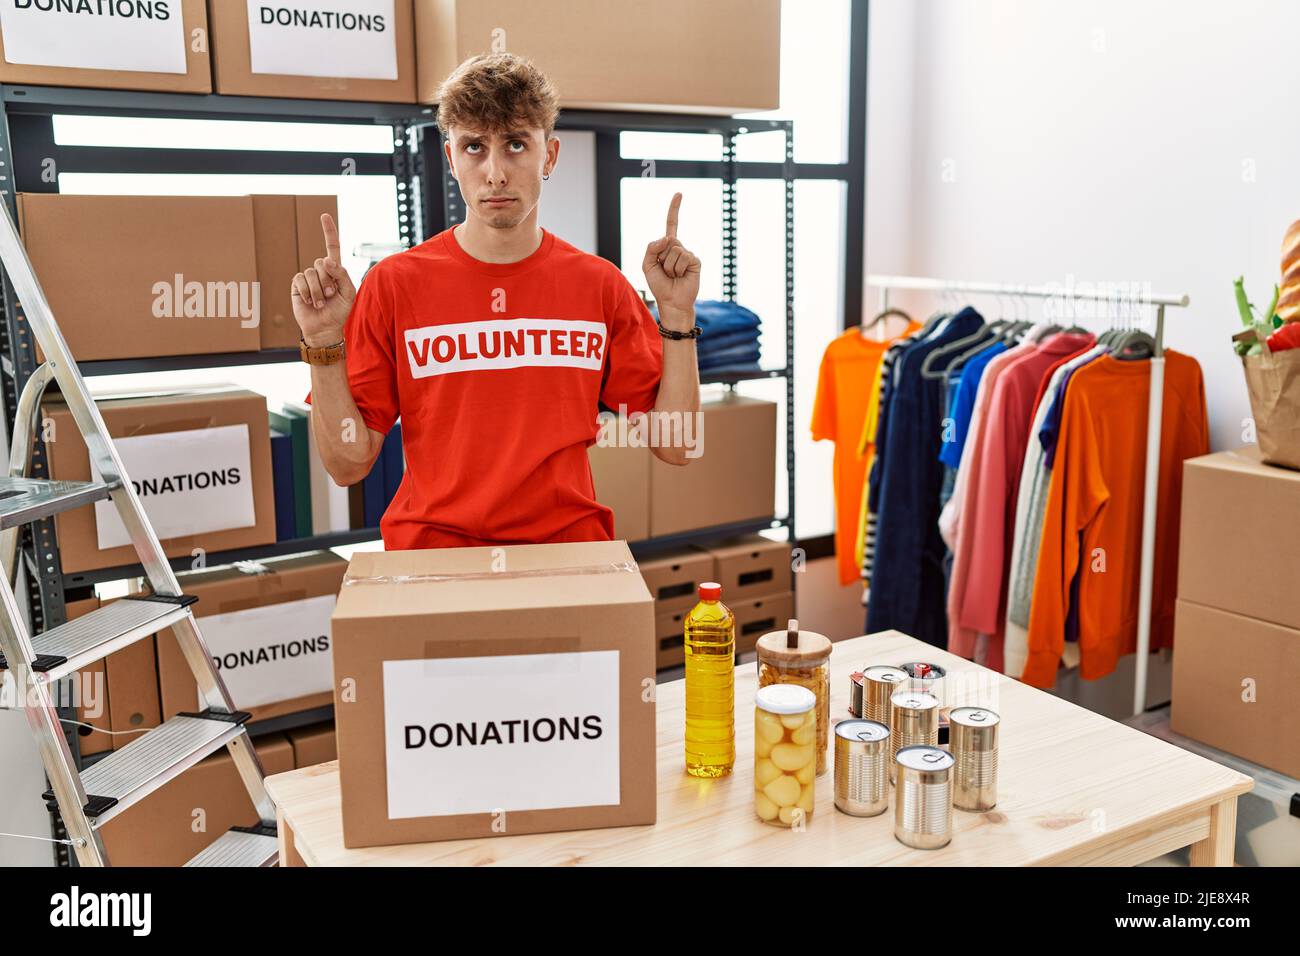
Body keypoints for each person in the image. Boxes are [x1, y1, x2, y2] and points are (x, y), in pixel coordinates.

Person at [295, 53, 702, 550]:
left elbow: (678, 445)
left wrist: (678, 316)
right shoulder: (393, 284)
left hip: (566, 554)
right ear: (450, 158)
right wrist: (322, 342)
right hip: (434, 555)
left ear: (548, 156)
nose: (495, 173)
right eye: (474, 147)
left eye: (514, 145)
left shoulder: (599, 285)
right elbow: (347, 464)